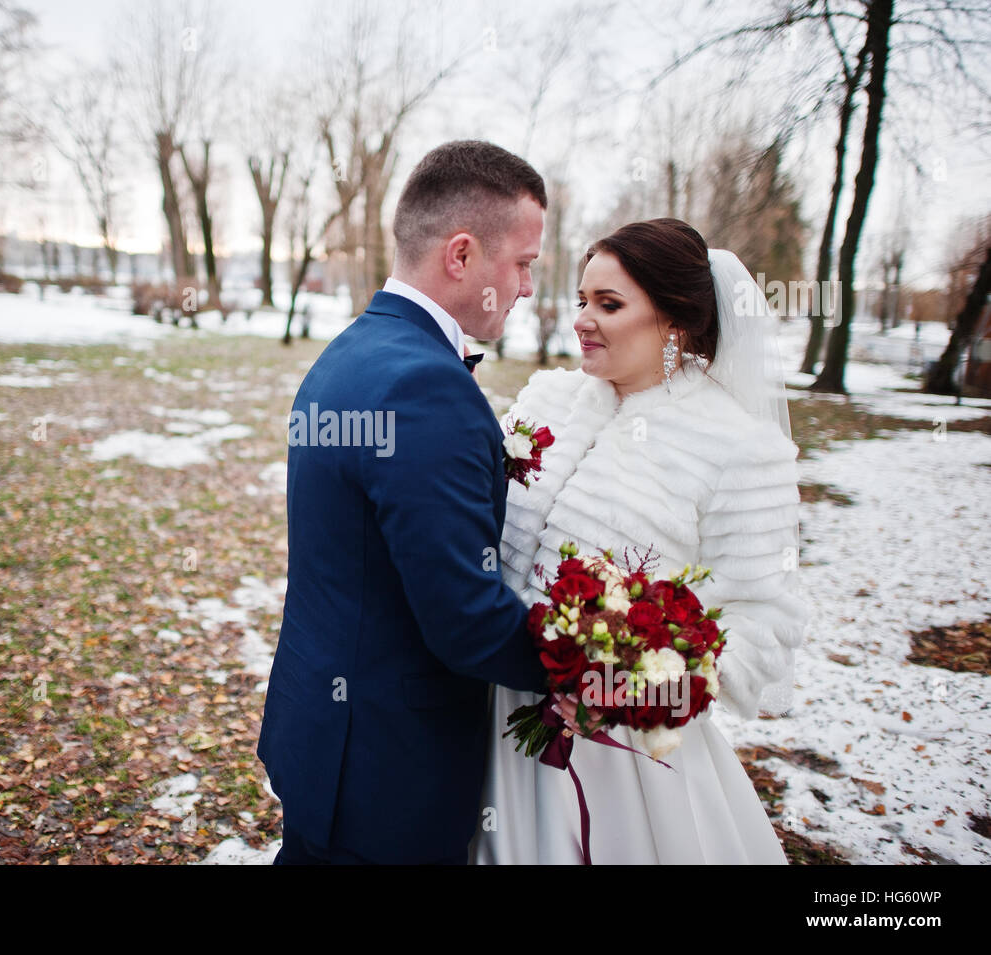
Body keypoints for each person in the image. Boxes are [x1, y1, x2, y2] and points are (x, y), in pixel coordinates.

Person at [471, 218, 809, 864]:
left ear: (674, 320)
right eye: (581, 300)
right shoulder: (547, 400)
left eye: (609, 304)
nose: (581, 320)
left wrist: (643, 684)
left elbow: (766, 615)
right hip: (490, 718)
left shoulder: (740, 448)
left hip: (620, 756)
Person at [257, 141, 550, 864]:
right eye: (523, 264)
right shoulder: (427, 388)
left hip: (329, 740)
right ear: (460, 254)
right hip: (387, 777)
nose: (527, 288)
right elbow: (464, 618)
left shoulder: (350, 350)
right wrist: (600, 662)